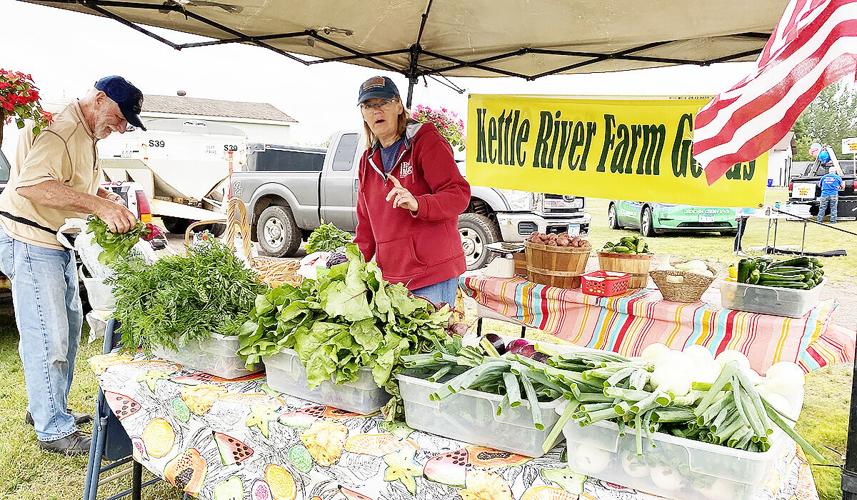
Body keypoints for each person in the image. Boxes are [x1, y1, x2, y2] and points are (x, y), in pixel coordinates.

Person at [0, 76, 143, 455]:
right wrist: (99, 207)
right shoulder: (63, 130)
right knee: (48, 337)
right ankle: (53, 430)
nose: (122, 126)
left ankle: (46, 408)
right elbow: (29, 186)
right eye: (118, 116)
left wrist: (102, 194)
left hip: (56, 240)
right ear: (99, 100)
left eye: (127, 120)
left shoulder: (87, 133)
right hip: (31, 241)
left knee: (69, 327)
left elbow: (67, 182)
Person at [353, 76, 471, 306]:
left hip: (432, 273)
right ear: (363, 114)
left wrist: (419, 203)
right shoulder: (367, 162)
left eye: (383, 102)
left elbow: (459, 194)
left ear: (398, 106)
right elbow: (365, 226)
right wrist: (352, 266)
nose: (376, 111)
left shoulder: (424, 141)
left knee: (435, 341)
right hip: (391, 279)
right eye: (368, 105)